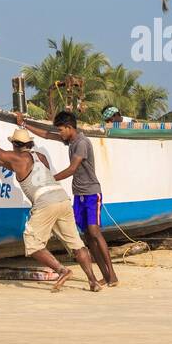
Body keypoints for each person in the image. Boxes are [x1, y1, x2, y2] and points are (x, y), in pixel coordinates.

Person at [0, 117, 101, 292]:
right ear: (29, 144)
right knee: (77, 244)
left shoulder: (16, 158)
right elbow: (26, 172)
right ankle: (93, 281)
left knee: (32, 242)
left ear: (15, 145)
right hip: (62, 199)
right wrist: (0, 160)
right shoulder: (40, 157)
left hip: (45, 203)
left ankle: (61, 270)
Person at [53, 110, 118, 287]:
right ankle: (106, 275)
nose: (59, 134)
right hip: (79, 195)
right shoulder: (71, 141)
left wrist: (51, 179)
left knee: (94, 231)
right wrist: (24, 125)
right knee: (88, 236)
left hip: (91, 193)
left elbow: (72, 168)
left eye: (60, 130)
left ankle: (112, 275)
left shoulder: (81, 142)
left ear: (69, 127)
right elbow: (47, 135)